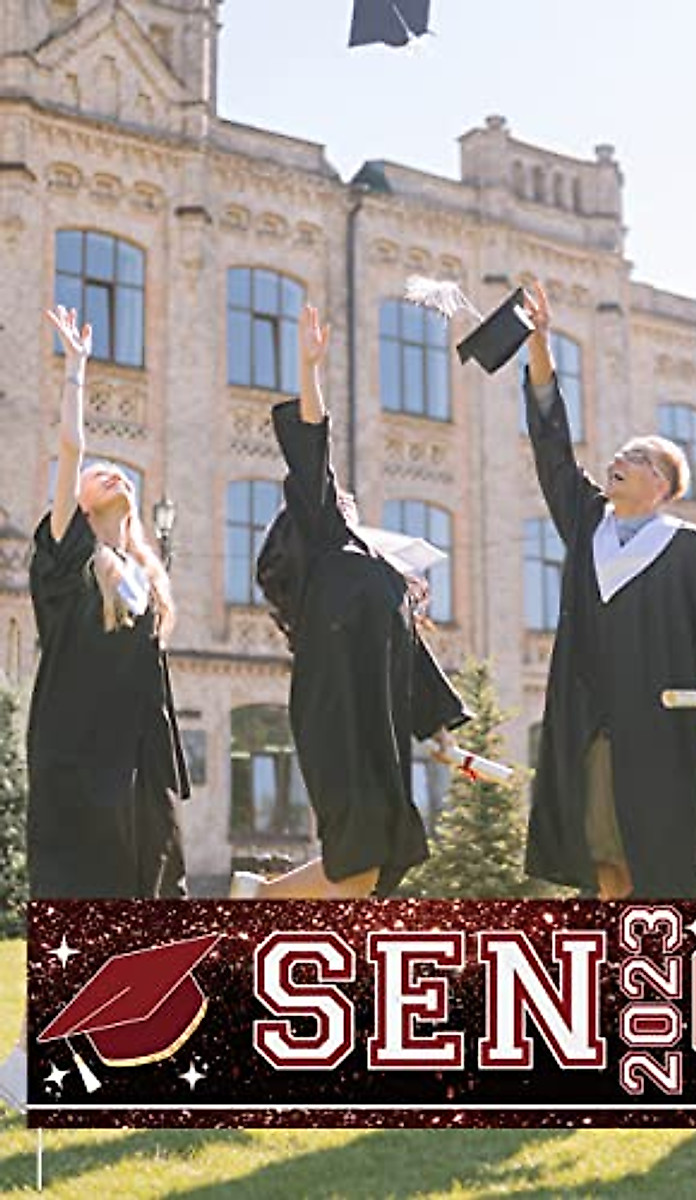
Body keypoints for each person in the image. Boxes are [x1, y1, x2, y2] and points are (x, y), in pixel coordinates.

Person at [521, 281, 696, 900]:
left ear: (663, 484)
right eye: (621, 452)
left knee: (650, 860)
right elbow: (552, 448)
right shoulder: (588, 524)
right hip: (587, 721)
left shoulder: (688, 548)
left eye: (638, 456)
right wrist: (540, 345)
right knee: (598, 856)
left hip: (656, 725)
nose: (620, 458)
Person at [0, 306, 190, 1112]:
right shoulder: (68, 561)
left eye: (122, 473)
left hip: (137, 766)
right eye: (95, 473)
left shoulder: (143, 578)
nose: (110, 472)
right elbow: (72, 448)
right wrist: (77, 369)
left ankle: (113, 1052)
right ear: (74, 500)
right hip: (78, 762)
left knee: (145, 900)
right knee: (77, 904)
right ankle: (26, 1061)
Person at [235, 305, 468, 900]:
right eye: (337, 493)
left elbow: (411, 656)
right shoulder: (324, 543)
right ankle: (260, 903)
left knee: (386, 854)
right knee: (362, 854)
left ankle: (262, 901)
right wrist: (309, 370)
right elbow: (313, 450)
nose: (347, 496)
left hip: (376, 724)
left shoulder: (377, 568)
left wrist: (441, 731)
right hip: (338, 712)